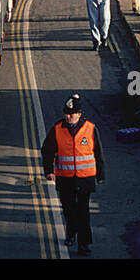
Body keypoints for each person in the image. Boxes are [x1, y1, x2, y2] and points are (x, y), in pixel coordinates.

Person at [40, 94, 104, 256]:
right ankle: (71, 232)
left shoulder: (90, 129)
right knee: (68, 209)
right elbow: (47, 151)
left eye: (72, 114)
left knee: (83, 211)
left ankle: (84, 243)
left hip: (85, 178)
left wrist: (100, 174)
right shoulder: (57, 130)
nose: (68, 116)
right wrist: (48, 170)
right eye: (66, 113)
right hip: (65, 178)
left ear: (79, 114)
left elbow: (98, 153)